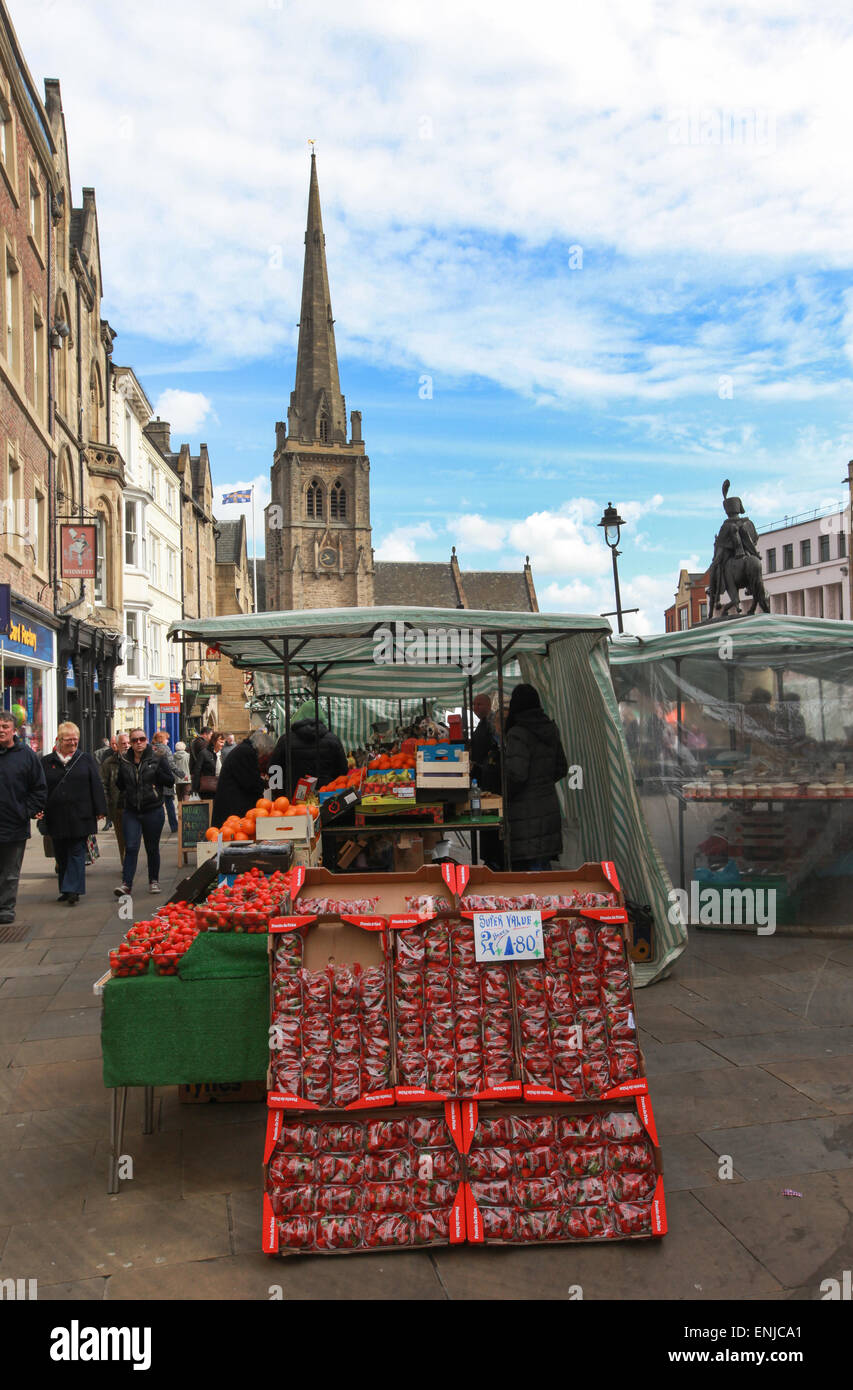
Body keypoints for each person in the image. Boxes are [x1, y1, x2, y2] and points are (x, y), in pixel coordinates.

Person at [39, 722, 107, 906]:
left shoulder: (85, 759)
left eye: (75, 740)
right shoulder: (46, 762)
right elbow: (40, 788)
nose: (72, 743)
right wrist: (38, 809)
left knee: (77, 851)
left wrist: (100, 809)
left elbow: (96, 784)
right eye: (68, 740)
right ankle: (66, 888)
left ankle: (74, 890)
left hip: (81, 814)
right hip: (56, 816)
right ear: (59, 740)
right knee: (61, 854)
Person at [504, 683, 568, 872]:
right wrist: (542, 783)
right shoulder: (550, 729)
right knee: (542, 872)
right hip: (548, 807)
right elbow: (561, 768)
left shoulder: (518, 733)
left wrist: (503, 792)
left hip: (525, 815)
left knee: (528, 879)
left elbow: (517, 775)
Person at [115, 728, 176, 896]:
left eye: (141, 739)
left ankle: (153, 881)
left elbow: (170, 781)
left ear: (147, 740)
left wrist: (156, 776)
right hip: (132, 811)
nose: (138, 743)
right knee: (132, 846)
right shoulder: (125, 761)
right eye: (134, 740)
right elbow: (120, 784)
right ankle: (126, 884)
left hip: (153, 809)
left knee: (152, 847)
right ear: (131, 744)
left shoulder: (157, 757)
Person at [0, 710, 47, 924]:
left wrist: (25, 812)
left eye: (5, 727)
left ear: (13, 730)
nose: (1, 730)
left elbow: (39, 788)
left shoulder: (26, 755)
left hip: (14, 824)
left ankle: (6, 908)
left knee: (10, 871)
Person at [270, 700, 347, 798]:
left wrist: (280, 791)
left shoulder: (286, 740)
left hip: (293, 796)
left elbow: (274, 768)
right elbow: (343, 770)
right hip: (326, 794)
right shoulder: (333, 740)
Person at [212, 730, 275, 826]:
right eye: (265, 753)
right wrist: (262, 784)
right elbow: (250, 782)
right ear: (262, 747)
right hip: (232, 809)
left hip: (232, 806)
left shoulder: (244, 750)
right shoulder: (246, 752)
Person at [101, 731, 130, 862]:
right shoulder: (109, 763)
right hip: (118, 806)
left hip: (136, 806)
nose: (127, 745)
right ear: (116, 746)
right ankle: (125, 862)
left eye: (129, 743)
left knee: (133, 838)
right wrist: (107, 804)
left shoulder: (138, 760)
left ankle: (130, 861)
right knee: (121, 838)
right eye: (123, 743)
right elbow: (103, 785)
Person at [151, 731, 179, 833]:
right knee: (169, 803)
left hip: (154, 782)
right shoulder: (165, 749)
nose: (168, 740)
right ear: (162, 739)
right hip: (165, 779)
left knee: (155, 805)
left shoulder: (151, 748)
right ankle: (174, 826)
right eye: (166, 738)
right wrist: (181, 775)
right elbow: (171, 765)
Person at [192, 731, 223, 797]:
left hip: (220, 787)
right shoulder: (204, 753)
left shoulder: (222, 754)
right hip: (208, 789)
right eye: (220, 742)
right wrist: (196, 787)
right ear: (214, 741)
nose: (222, 744)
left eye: (223, 742)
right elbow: (197, 770)